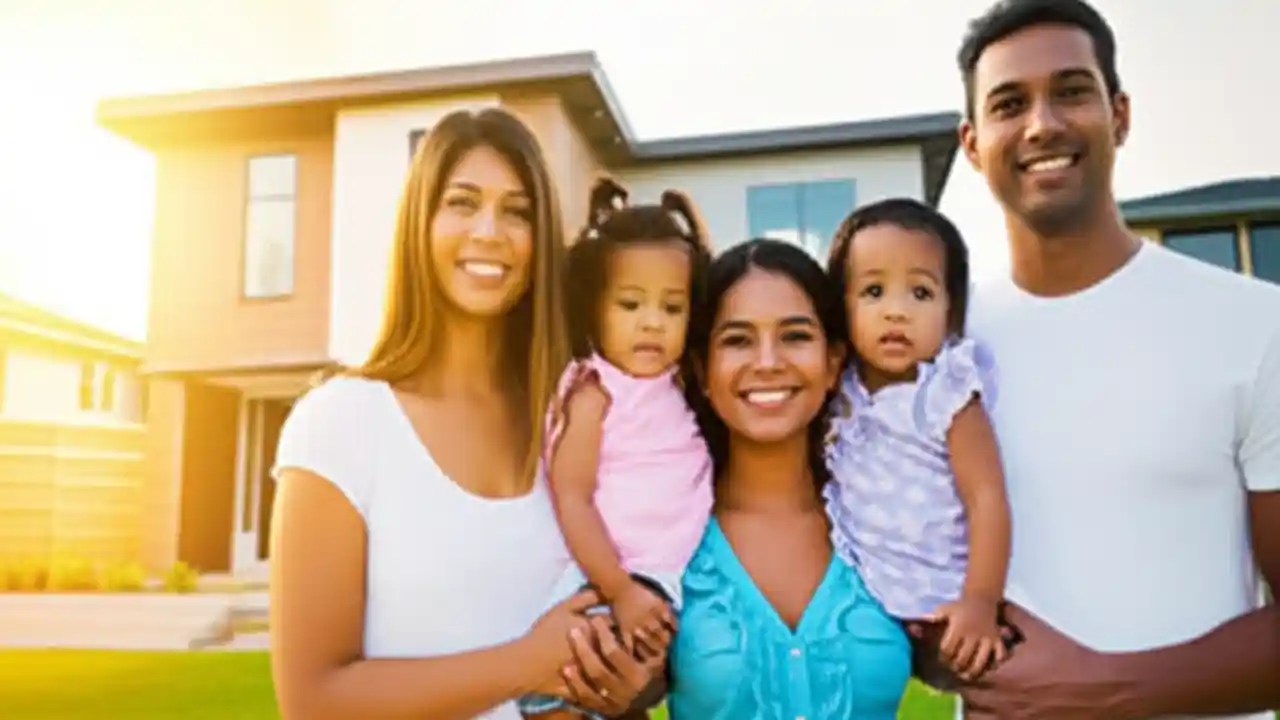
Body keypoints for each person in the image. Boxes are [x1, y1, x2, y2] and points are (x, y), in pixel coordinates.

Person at [268, 108, 665, 720]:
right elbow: (313, 701)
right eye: (462, 202)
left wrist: (634, 672)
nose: (490, 231)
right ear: (420, 224)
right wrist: (527, 664)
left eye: (517, 211)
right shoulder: (340, 424)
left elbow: (637, 615)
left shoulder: (577, 415)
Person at [953, 0, 1280, 717]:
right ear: (973, 145)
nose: (1043, 124)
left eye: (1071, 91)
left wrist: (1095, 692)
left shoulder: (1256, 325)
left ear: (1120, 115)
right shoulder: (943, 348)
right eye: (1010, 103)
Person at [666, 238, 913, 720]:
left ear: (833, 362)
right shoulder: (665, 538)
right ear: (702, 370)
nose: (767, 362)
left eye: (795, 336)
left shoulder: (891, 522)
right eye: (737, 340)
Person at [518, 178, 714, 718]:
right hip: (606, 579)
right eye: (630, 304)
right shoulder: (595, 391)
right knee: (575, 688)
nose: (652, 321)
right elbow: (572, 497)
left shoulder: (679, 387)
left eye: (672, 308)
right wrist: (619, 589)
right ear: (594, 308)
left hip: (667, 581)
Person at [823, 198, 1015, 688]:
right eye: (872, 291)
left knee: (990, 688)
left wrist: (980, 601)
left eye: (920, 293)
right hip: (862, 603)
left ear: (951, 312)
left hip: (943, 603)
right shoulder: (836, 390)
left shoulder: (946, 391)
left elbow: (986, 497)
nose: (896, 312)